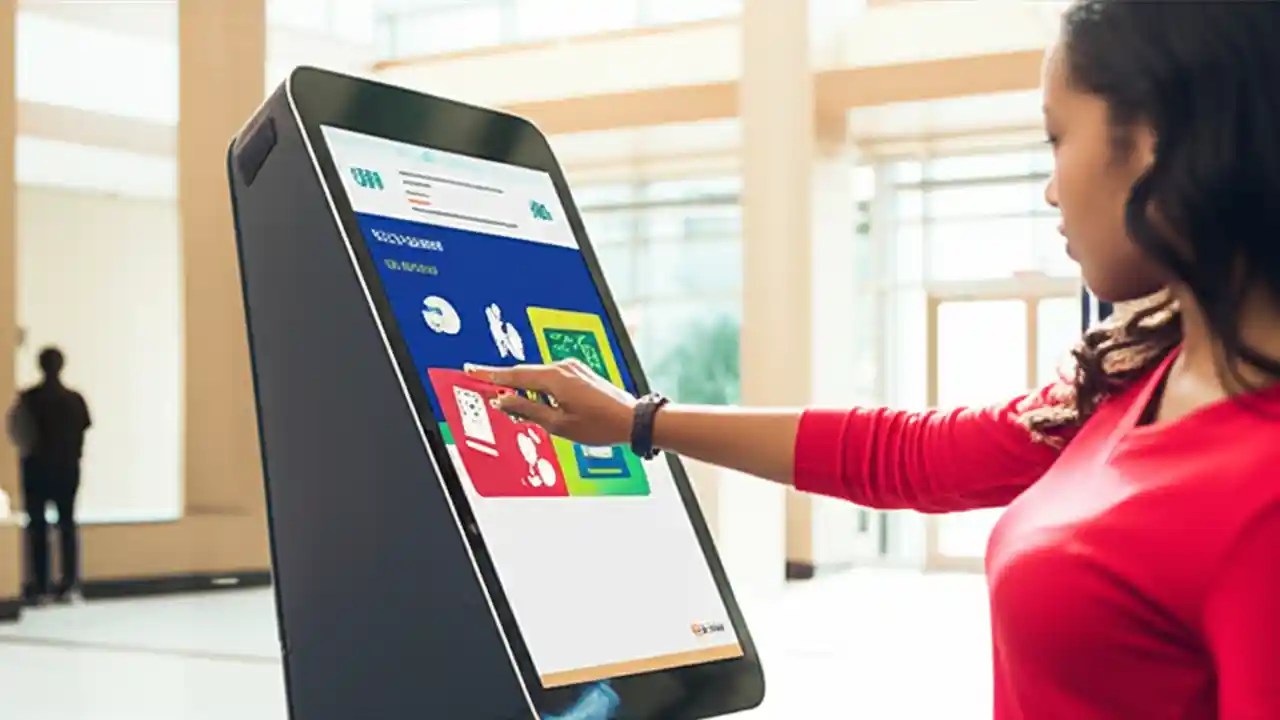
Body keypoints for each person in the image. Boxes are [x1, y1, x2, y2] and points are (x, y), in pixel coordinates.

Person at [466, 2, 1280, 718]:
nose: (1051, 190)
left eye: (1058, 137)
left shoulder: (1261, 490)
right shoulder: (1139, 378)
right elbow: (909, 454)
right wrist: (637, 420)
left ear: (1155, 145)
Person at [17, 347, 91, 604]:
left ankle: (39, 585)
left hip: (36, 469)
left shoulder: (28, 398)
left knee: (37, 527)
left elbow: (18, 432)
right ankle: (69, 583)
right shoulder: (74, 400)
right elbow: (83, 430)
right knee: (67, 525)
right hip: (67, 469)